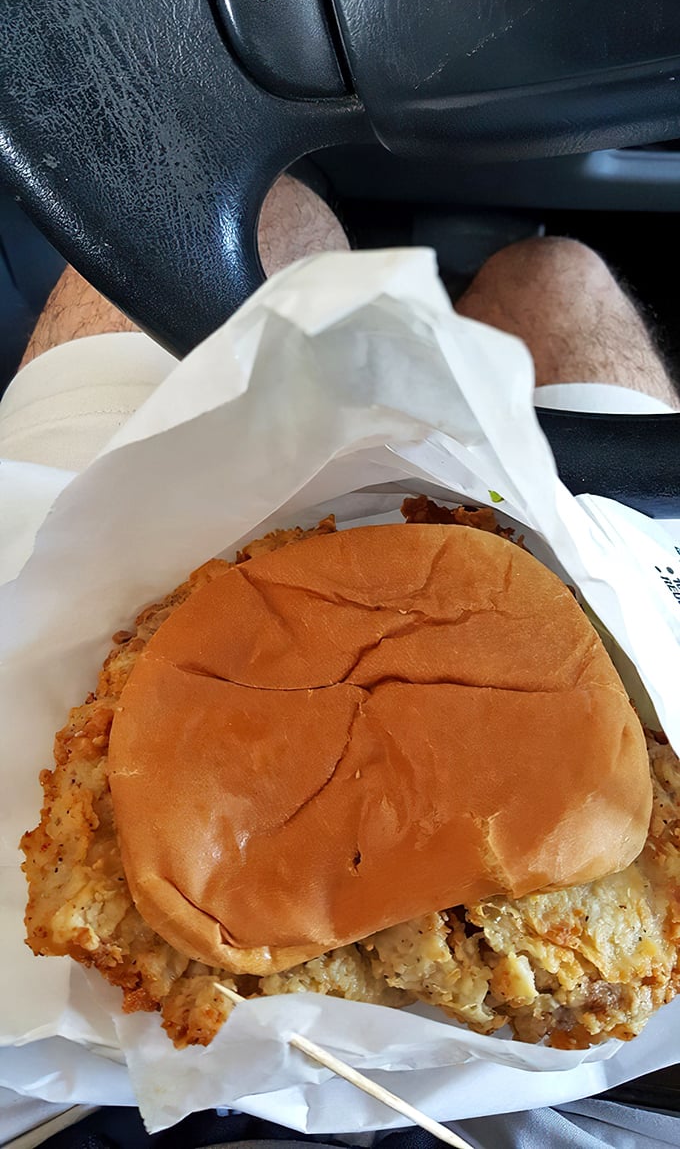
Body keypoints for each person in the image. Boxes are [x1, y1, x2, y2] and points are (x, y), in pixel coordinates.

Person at [1, 176, 679, 1149]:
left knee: (266, 209)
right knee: (555, 278)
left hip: (43, 1103)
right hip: (584, 1112)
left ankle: (334, 246)